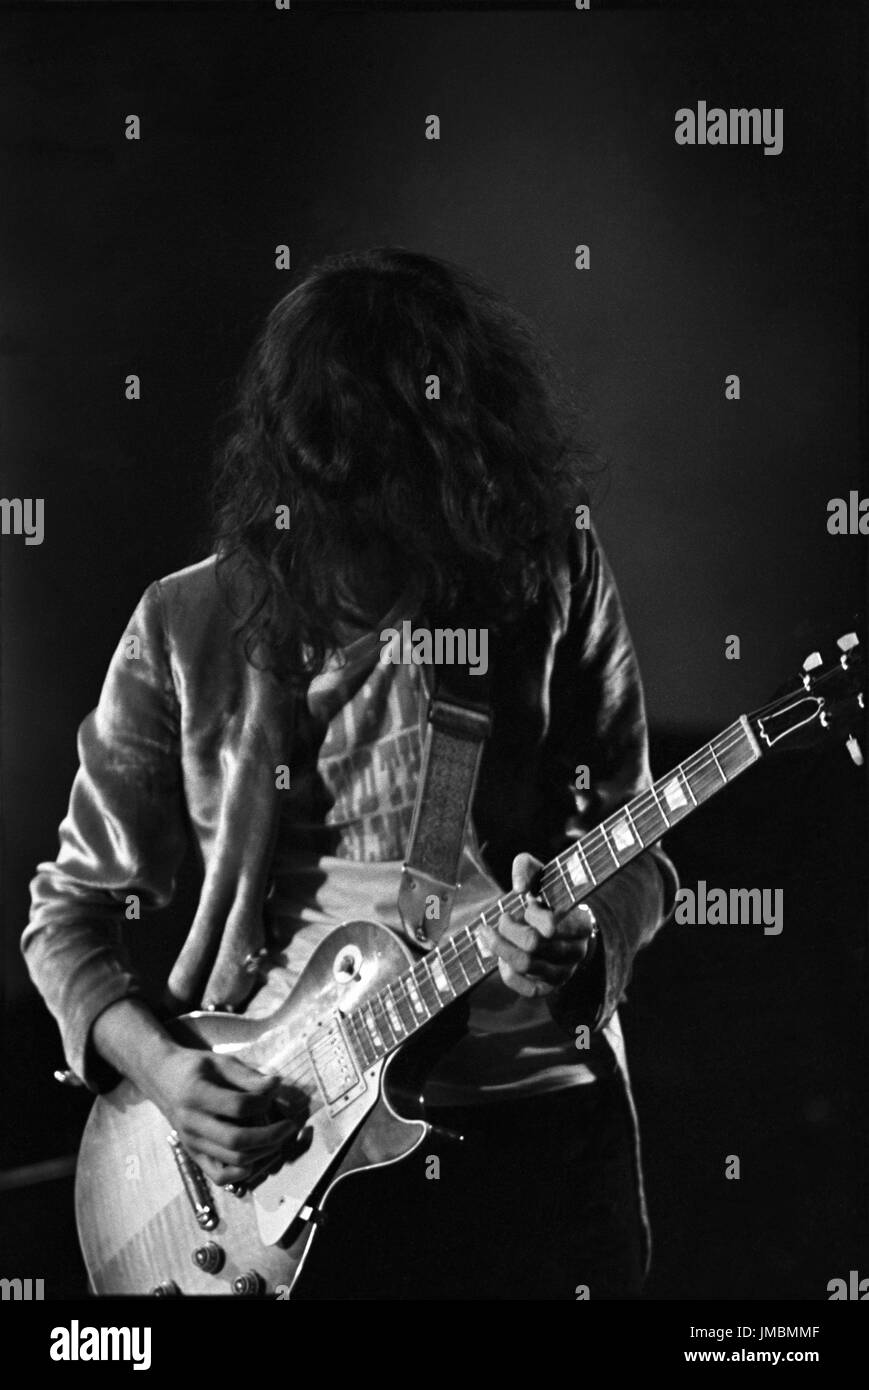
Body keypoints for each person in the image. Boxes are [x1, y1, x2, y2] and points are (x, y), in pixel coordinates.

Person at [23, 247, 677, 1300]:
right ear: (306, 462)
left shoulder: (542, 576)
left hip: (534, 1137)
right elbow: (69, 916)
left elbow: (635, 839)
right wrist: (167, 1072)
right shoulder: (187, 623)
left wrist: (586, 940)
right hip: (291, 1172)